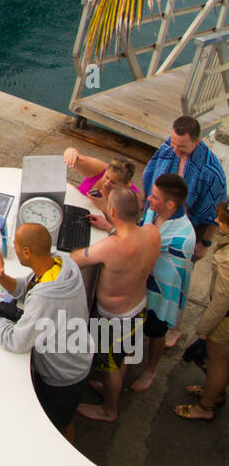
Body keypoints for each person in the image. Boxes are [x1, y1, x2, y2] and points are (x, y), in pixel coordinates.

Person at [0, 224, 91, 438]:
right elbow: (29, 287)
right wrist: (0, 276)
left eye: (16, 246)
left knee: (57, 428)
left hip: (63, 376)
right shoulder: (60, 264)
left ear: (27, 252)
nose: (13, 247)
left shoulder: (46, 298)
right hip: (79, 357)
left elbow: (18, 341)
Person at [72, 187, 161, 423]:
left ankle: (108, 409)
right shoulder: (152, 232)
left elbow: (76, 260)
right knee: (124, 354)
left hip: (114, 319)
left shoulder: (112, 247)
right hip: (139, 306)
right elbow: (129, 243)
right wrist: (111, 228)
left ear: (112, 211)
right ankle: (113, 386)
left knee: (109, 366)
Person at [129, 173, 195, 393]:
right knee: (135, 326)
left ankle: (151, 369)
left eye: (154, 197)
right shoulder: (152, 213)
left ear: (170, 204)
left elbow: (139, 245)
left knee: (156, 331)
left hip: (160, 294)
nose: (148, 199)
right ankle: (126, 363)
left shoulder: (184, 238)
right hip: (141, 286)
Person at [142, 116, 226, 261]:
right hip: (155, 220)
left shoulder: (212, 172)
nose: (175, 150)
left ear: (197, 141)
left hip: (188, 231)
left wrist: (204, 244)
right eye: (174, 144)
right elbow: (149, 176)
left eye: (182, 147)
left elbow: (217, 210)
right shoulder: (168, 147)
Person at [175, 200, 229, 420]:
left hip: (224, 319)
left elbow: (223, 300)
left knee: (218, 361)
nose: (216, 220)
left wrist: (203, 327)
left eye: (222, 219)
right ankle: (213, 392)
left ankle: (206, 406)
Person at [64, 149, 141, 217]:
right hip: (71, 207)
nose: (106, 184)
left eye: (113, 183)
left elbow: (124, 229)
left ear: (127, 185)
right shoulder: (99, 168)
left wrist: (104, 207)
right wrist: (70, 153)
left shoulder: (132, 199)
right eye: (107, 177)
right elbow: (76, 159)